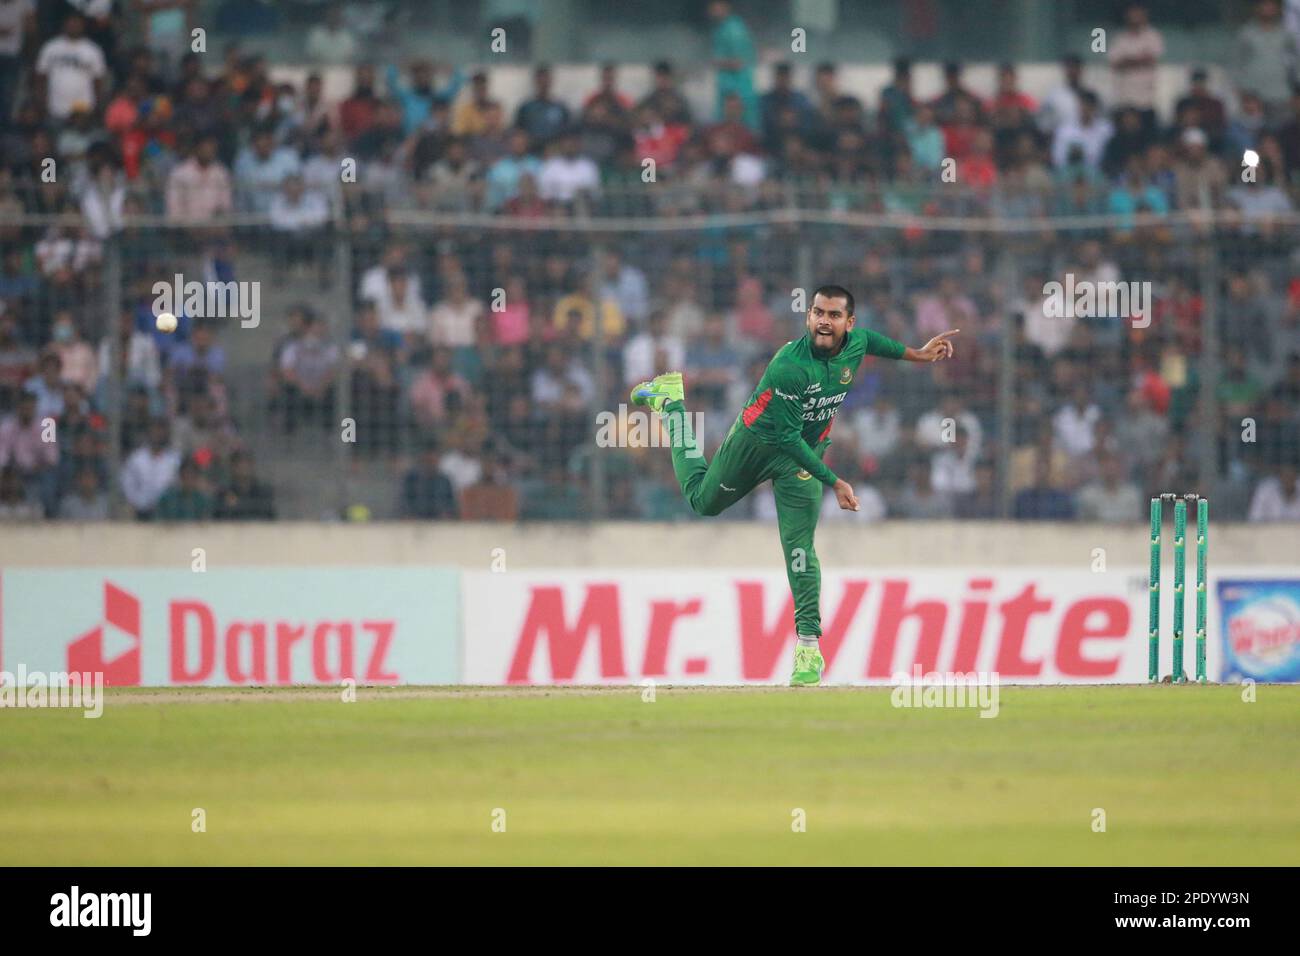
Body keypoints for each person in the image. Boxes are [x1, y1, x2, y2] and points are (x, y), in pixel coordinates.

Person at [630, 286, 958, 686]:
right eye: (818, 312)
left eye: (834, 315)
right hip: (756, 444)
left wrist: (918, 354)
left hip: (801, 458)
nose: (824, 321)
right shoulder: (790, 364)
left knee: (800, 549)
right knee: (702, 502)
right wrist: (834, 481)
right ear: (808, 317)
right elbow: (787, 438)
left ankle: (808, 648)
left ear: (849, 323)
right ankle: (672, 404)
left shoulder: (857, 343)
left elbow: (876, 343)